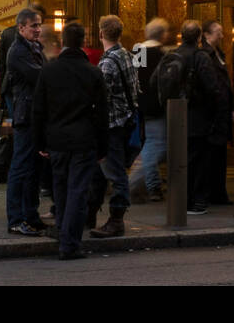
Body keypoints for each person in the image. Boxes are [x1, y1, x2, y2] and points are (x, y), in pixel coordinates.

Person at [32, 22, 108, 260]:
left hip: (56, 140)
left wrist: (40, 143)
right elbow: (102, 114)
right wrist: (102, 146)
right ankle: (69, 242)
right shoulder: (93, 72)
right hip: (83, 140)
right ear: (83, 42)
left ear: (63, 41)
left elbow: (38, 110)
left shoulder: (49, 71)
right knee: (78, 191)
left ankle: (63, 234)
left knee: (61, 190)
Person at [87, 15, 139, 238]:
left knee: (115, 173)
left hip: (112, 124)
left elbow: (100, 98)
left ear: (101, 34)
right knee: (99, 172)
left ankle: (116, 220)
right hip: (125, 121)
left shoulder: (107, 62)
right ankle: (88, 214)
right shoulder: (126, 55)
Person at [169, 20, 220, 215]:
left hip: (174, 114)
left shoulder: (172, 54)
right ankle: (195, 201)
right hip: (198, 115)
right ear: (199, 37)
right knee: (198, 160)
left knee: (180, 157)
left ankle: (179, 198)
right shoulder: (201, 57)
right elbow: (212, 87)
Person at [5, 7, 48, 235]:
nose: (38, 29)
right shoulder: (18, 51)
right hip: (26, 115)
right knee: (21, 168)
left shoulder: (35, 48)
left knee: (34, 168)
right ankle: (16, 219)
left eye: (39, 25)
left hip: (36, 115)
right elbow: (41, 76)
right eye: (34, 25)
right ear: (21, 28)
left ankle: (31, 216)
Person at [128, 18, 169, 202]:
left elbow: (133, 76)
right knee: (156, 145)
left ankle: (152, 185)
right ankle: (135, 182)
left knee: (152, 143)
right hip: (157, 106)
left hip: (140, 104)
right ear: (162, 34)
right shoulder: (162, 54)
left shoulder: (138, 50)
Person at [201, 19, 234, 205]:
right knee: (213, 155)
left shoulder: (218, 53)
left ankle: (218, 192)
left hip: (221, 112)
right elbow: (215, 85)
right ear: (206, 35)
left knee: (219, 154)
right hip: (214, 114)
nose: (222, 35)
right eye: (218, 32)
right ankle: (214, 193)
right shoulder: (206, 55)